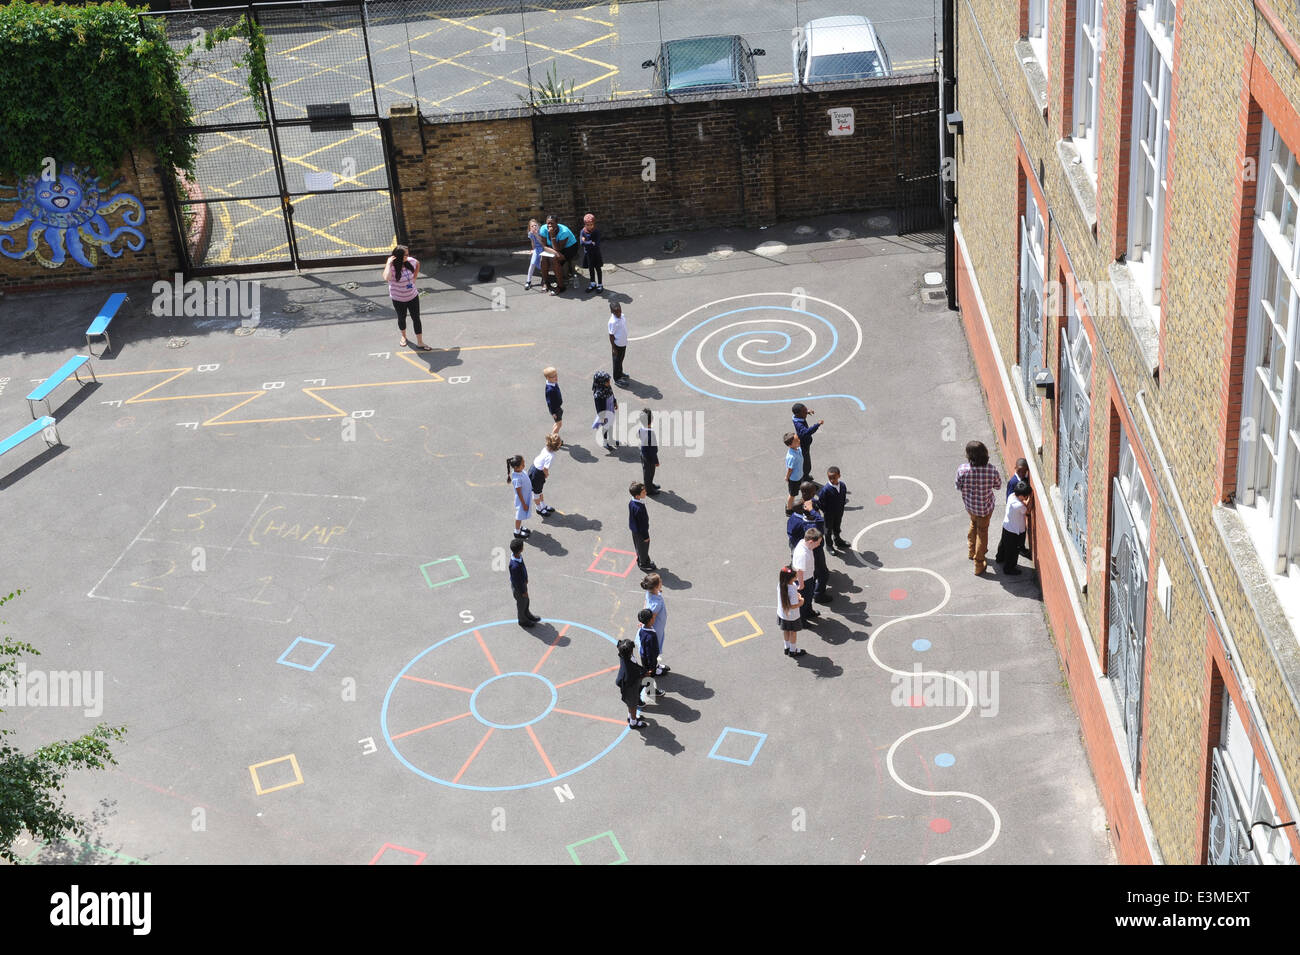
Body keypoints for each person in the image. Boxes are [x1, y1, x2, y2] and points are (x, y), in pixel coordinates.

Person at [955, 440, 1002, 574]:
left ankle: (971, 551)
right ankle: (979, 563)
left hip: (970, 507)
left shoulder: (963, 469)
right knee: (982, 532)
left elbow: (958, 486)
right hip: (985, 508)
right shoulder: (991, 470)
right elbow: (998, 486)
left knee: (973, 524)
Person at [383, 245, 431, 350]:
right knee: (401, 318)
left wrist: (414, 278)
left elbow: (418, 263)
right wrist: (388, 262)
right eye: (406, 255)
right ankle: (404, 337)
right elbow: (386, 277)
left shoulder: (411, 261)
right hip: (398, 298)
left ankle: (420, 342)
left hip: (412, 296)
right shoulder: (391, 267)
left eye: (408, 254)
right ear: (399, 256)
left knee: (416, 318)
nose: (408, 256)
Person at [995, 481, 1032, 575]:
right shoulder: (1018, 505)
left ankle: (999, 558)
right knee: (1013, 551)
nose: (1026, 497)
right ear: (1021, 495)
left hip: (1007, 526)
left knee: (1003, 545)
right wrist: (1030, 498)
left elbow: (1022, 502)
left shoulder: (1012, 496)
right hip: (1015, 531)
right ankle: (1009, 568)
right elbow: (1027, 511)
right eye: (1025, 496)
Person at [540, 216, 579, 293]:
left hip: (569, 248)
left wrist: (552, 236)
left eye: (552, 223)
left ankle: (561, 286)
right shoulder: (543, 229)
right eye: (548, 223)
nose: (549, 225)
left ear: (557, 223)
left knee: (555, 259)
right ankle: (545, 282)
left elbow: (558, 248)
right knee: (543, 258)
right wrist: (555, 253)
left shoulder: (564, 231)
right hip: (553, 248)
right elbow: (544, 246)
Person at [791, 528, 821, 627]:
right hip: (803, 581)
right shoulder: (802, 554)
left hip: (808, 577)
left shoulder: (803, 543)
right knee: (804, 600)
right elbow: (800, 571)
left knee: (809, 597)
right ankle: (802, 620)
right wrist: (801, 585)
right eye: (818, 543)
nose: (819, 545)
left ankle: (808, 611)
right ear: (811, 541)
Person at [615, 639, 648, 728]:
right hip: (630, 687)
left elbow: (619, 645)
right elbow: (638, 676)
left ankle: (630, 717)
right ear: (631, 652)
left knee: (630, 703)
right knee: (633, 705)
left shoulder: (622, 655)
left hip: (627, 684)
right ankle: (633, 722)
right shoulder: (631, 669)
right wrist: (644, 674)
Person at [508, 538, 541, 627]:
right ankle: (522, 620)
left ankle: (527, 614)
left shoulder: (518, 557)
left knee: (526, 601)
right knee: (521, 603)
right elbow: (516, 582)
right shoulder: (515, 566)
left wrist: (525, 579)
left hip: (522, 584)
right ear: (521, 549)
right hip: (519, 588)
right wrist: (523, 592)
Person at [817, 466, 850, 551]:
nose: (832, 480)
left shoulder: (842, 485)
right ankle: (829, 545)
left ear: (839, 476)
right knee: (828, 530)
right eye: (830, 478)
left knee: (837, 527)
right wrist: (827, 511)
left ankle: (837, 540)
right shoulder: (826, 490)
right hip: (829, 514)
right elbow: (820, 503)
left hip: (839, 512)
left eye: (834, 477)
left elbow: (843, 497)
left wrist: (841, 507)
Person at [529, 434, 563, 517]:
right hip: (537, 474)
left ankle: (543, 506)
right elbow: (545, 469)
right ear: (556, 446)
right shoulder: (550, 456)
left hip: (534, 469)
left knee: (540, 491)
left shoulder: (545, 449)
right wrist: (546, 475)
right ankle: (539, 509)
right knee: (536, 493)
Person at [640, 572, 668, 674]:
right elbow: (652, 619)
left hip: (656, 627)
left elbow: (645, 602)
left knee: (655, 648)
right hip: (656, 629)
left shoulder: (650, 592)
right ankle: (655, 669)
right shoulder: (656, 603)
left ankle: (656, 665)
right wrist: (649, 628)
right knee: (654, 648)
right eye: (660, 581)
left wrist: (643, 616)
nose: (662, 581)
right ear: (656, 586)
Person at [791, 403, 823, 484]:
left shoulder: (796, 417)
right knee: (806, 463)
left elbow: (801, 413)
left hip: (804, 442)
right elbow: (807, 432)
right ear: (798, 414)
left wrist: (807, 412)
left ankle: (804, 475)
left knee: (804, 461)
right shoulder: (799, 425)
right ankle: (805, 477)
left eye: (806, 410)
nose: (806, 413)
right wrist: (817, 425)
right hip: (804, 444)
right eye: (804, 412)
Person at [636, 608, 664, 697]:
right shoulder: (651, 636)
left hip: (644, 656)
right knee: (649, 676)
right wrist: (652, 666)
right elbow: (650, 653)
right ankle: (637, 694)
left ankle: (650, 690)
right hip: (649, 660)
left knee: (648, 676)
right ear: (650, 620)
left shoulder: (642, 629)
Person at [778, 566, 805, 657]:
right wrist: (801, 602)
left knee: (786, 630)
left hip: (783, 614)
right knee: (793, 633)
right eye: (795, 576)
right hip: (792, 616)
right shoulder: (792, 589)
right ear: (790, 578)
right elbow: (793, 605)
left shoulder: (780, 585)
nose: (797, 577)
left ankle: (787, 647)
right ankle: (793, 651)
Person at [628, 481, 654, 572]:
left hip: (634, 529)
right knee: (643, 548)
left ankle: (642, 559)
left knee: (639, 546)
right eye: (643, 492)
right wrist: (646, 537)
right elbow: (643, 525)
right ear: (637, 496)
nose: (645, 492)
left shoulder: (632, 502)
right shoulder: (639, 509)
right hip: (640, 532)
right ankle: (644, 564)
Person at [508, 454, 533, 540]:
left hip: (525, 498)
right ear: (516, 467)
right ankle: (517, 532)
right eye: (522, 464)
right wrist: (524, 504)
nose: (524, 465)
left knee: (521, 515)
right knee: (519, 516)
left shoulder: (520, 471)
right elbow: (519, 493)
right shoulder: (517, 479)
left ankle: (519, 527)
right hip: (522, 501)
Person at [591, 370, 618, 451]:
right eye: (607, 381)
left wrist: (615, 402)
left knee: (611, 425)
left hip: (610, 409)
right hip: (605, 413)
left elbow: (612, 394)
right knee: (606, 427)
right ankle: (605, 442)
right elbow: (598, 407)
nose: (609, 382)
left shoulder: (607, 387)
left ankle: (611, 439)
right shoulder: (598, 395)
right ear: (601, 382)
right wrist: (602, 417)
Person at [638, 408, 661, 495]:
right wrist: (656, 461)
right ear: (652, 419)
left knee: (648, 473)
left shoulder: (641, 429)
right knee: (649, 473)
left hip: (644, 453)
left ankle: (650, 484)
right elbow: (652, 451)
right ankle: (649, 490)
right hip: (649, 457)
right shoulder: (651, 434)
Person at [580, 213, 604, 292]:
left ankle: (600, 285)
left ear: (594, 224)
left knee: (598, 269)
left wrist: (586, 242)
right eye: (587, 224)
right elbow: (581, 243)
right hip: (588, 254)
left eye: (591, 224)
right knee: (591, 269)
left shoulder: (596, 232)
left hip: (596, 253)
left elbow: (596, 244)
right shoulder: (583, 231)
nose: (589, 226)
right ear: (585, 224)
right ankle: (593, 283)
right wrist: (590, 243)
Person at [608, 302, 628, 383]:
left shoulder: (622, 316)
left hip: (623, 343)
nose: (619, 313)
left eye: (619, 310)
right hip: (617, 345)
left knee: (621, 359)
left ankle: (620, 373)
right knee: (616, 361)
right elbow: (611, 336)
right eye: (616, 312)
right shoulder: (613, 322)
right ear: (612, 312)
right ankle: (617, 378)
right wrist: (614, 348)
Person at [524, 218, 545, 291]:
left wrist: (536, 235)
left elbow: (542, 243)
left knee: (542, 263)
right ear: (530, 227)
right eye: (532, 226)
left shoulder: (540, 232)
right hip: (537, 249)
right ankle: (528, 281)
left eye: (535, 225)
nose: (534, 227)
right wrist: (533, 250)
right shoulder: (530, 233)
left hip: (543, 248)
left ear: (538, 225)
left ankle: (544, 278)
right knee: (532, 263)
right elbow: (532, 242)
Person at [783, 432, 802, 511]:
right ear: (790, 445)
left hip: (800, 475)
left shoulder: (797, 448)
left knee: (801, 489)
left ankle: (800, 502)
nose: (799, 441)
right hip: (794, 479)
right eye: (796, 441)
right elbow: (790, 469)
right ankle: (789, 509)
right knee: (792, 494)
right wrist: (787, 477)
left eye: (798, 439)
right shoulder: (791, 456)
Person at [543, 366, 563, 437]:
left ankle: (553, 434)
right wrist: (553, 412)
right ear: (548, 378)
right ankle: (553, 438)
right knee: (559, 424)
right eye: (553, 376)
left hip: (558, 407)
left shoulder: (552, 383)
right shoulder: (550, 390)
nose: (556, 377)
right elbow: (550, 402)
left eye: (556, 375)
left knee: (557, 423)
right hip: (555, 409)